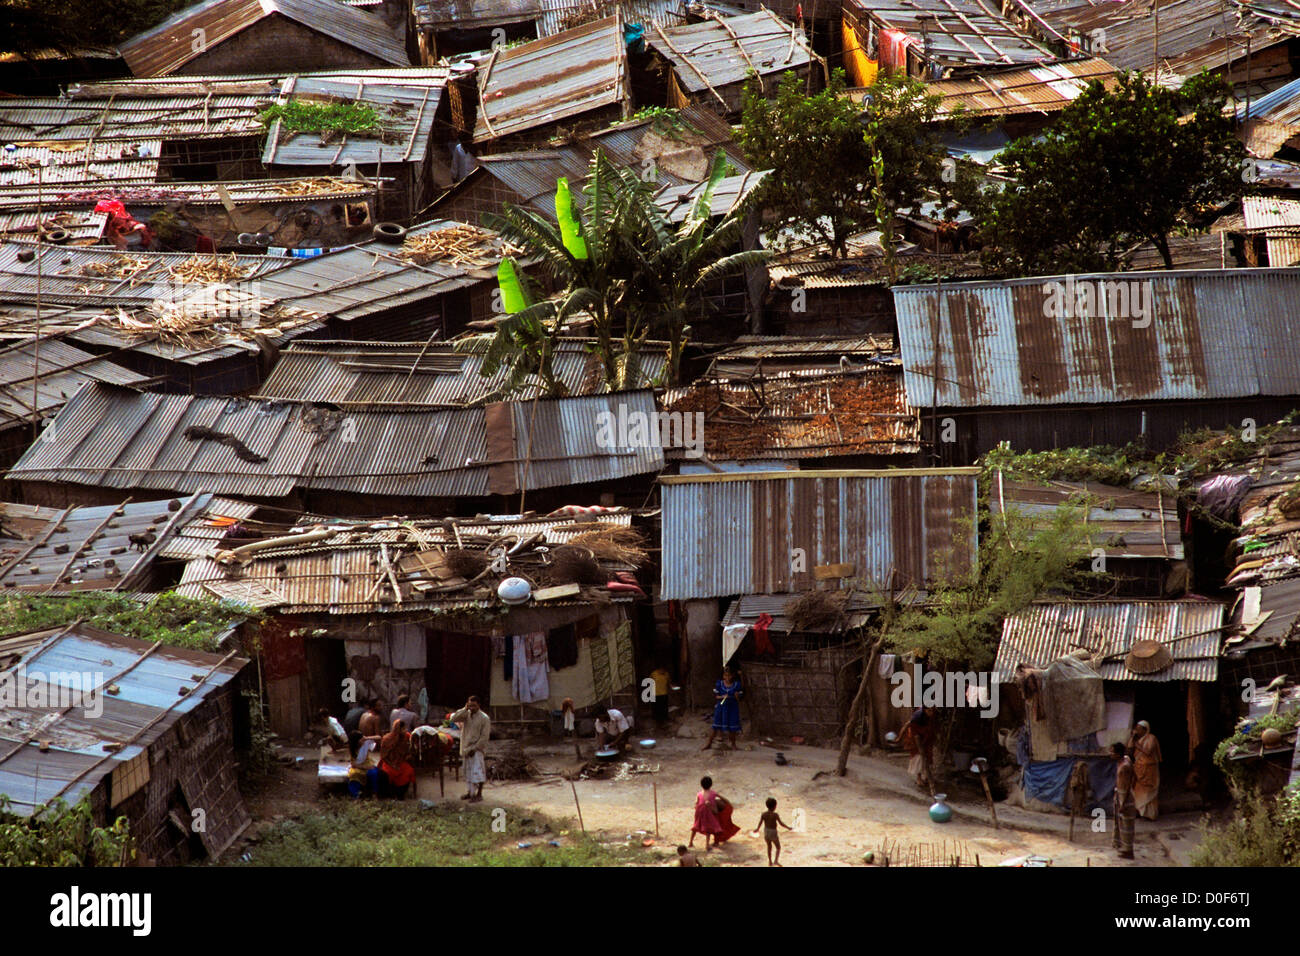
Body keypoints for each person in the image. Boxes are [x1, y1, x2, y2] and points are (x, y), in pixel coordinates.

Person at [448, 696, 491, 802]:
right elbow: (453, 719)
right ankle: (470, 792)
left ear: (479, 705)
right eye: (470, 705)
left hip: (477, 749)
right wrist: (465, 708)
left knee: (478, 771)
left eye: (474, 705)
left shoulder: (484, 718)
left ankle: (479, 794)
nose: (472, 708)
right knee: (468, 771)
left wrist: (475, 748)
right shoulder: (466, 714)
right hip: (466, 747)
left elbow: (484, 737)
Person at [702, 666, 743, 751]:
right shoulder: (719, 684)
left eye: (729, 676)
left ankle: (733, 744)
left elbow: (739, 699)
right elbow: (716, 696)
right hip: (721, 706)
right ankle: (709, 743)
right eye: (726, 675)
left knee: (733, 728)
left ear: (732, 676)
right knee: (716, 726)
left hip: (732, 708)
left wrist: (736, 696)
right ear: (723, 676)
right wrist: (722, 696)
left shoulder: (736, 685)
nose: (727, 678)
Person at [1129, 720, 1162, 820]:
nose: (1137, 731)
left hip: (1149, 769)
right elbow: (1129, 748)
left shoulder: (1151, 738)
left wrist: (1137, 745)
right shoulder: (1137, 739)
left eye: (1139, 729)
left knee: (1149, 791)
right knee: (1138, 791)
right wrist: (1132, 738)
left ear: (1145, 730)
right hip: (1139, 768)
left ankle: (1150, 815)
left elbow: (1148, 751)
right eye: (1136, 728)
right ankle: (1140, 812)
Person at [377, 719, 416, 799]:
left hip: (400, 761)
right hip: (388, 762)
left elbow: (408, 750)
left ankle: (400, 794)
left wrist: (408, 756)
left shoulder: (405, 737)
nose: (405, 730)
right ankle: (389, 794)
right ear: (398, 729)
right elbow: (383, 756)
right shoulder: (387, 739)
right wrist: (393, 765)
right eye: (403, 729)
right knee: (389, 773)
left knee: (408, 771)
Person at [1110, 742, 1136, 859]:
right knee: (1121, 824)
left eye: (1112, 752)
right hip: (1121, 795)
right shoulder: (1125, 760)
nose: (1110, 754)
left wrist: (1123, 803)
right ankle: (1124, 848)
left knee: (1127, 825)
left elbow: (1125, 786)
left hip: (1125, 797)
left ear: (1118, 754)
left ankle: (1128, 851)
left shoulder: (1125, 766)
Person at [900, 706, 936, 789]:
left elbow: (931, 728)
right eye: (929, 711)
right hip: (915, 736)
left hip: (926, 736)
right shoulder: (917, 716)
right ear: (925, 710)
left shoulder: (931, 716)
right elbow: (907, 726)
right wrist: (898, 738)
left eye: (932, 710)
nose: (931, 713)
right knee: (919, 756)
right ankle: (919, 778)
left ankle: (926, 776)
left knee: (928, 756)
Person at [753, 797, 794, 866]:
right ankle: (776, 861)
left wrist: (757, 829)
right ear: (775, 806)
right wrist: (788, 828)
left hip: (766, 831)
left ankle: (770, 862)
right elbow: (781, 824)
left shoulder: (763, 814)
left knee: (769, 847)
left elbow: (760, 823)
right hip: (773, 832)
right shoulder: (775, 815)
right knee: (778, 847)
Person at [689, 775, 724, 852]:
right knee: (708, 829)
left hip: (699, 812)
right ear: (711, 784)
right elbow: (721, 798)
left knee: (695, 826)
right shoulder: (713, 793)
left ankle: (690, 842)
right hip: (709, 812)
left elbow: (696, 802)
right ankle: (707, 845)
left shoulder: (699, 794)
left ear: (701, 785)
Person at [346, 730, 380, 799]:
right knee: (353, 775)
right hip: (358, 766)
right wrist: (364, 767)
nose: (362, 742)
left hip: (367, 762)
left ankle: (374, 793)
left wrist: (366, 738)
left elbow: (379, 737)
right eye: (360, 740)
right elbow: (354, 764)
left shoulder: (365, 742)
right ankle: (356, 795)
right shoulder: (352, 748)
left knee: (373, 773)